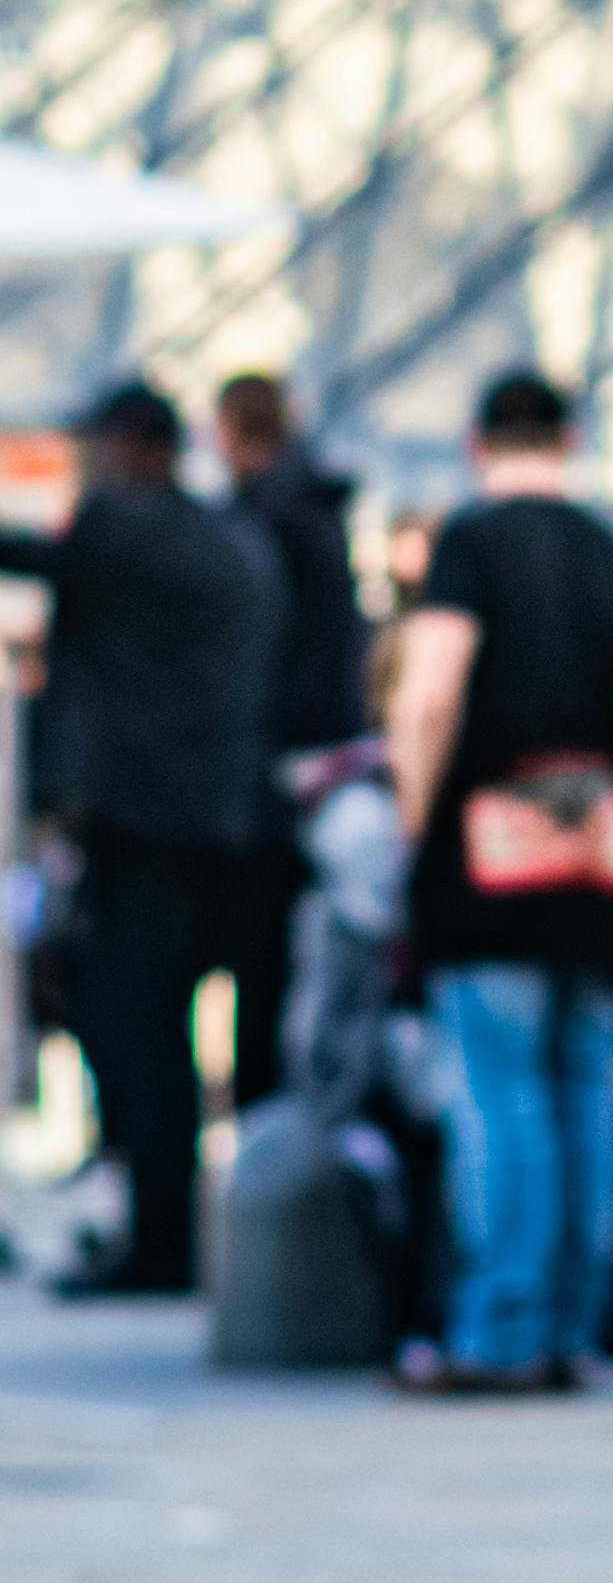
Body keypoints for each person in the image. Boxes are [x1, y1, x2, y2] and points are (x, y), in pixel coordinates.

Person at [385, 366, 613, 1393]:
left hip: (486, 861)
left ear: (476, 443)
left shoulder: (467, 545)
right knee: (588, 1089)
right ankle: (574, 1327)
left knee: (499, 1088)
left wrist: (414, 818)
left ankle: (498, 1333)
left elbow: (429, 695)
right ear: (571, 439)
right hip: (599, 855)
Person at [28, 378, 281, 1298]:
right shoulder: (227, 537)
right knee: (156, 1024)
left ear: (132, 448)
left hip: (148, 823)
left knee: (133, 1023)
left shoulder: (126, 528)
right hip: (216, 821)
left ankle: (164, 1235)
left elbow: (38, 557)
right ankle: (171, 1228)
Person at [208, 370, 371, 1111]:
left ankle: (265, 1121)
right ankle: (306, 1115)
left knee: (261, 955)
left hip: (273, 769)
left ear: (229, 431)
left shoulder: (258, 522)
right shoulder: (321, 511)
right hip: (333, 762)